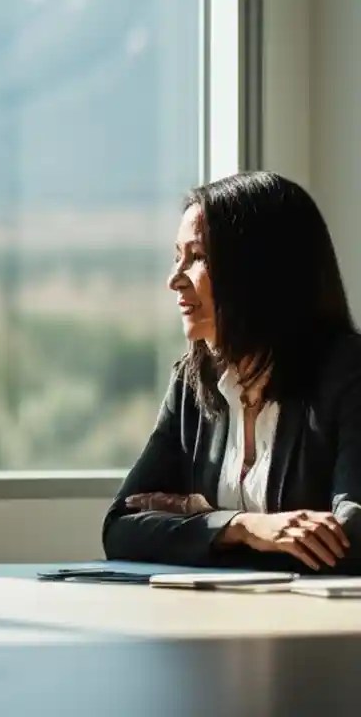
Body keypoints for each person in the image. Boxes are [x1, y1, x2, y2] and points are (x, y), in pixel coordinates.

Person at [103, 171, 361, 573]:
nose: (175, 279)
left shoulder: (349, 375)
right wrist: (240, 526)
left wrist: (193, 521)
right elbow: (120, 529)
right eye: (177, 257)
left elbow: (352, 541)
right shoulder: (191, 384)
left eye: (198, 257)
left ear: (259, 270)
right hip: (216, 624)